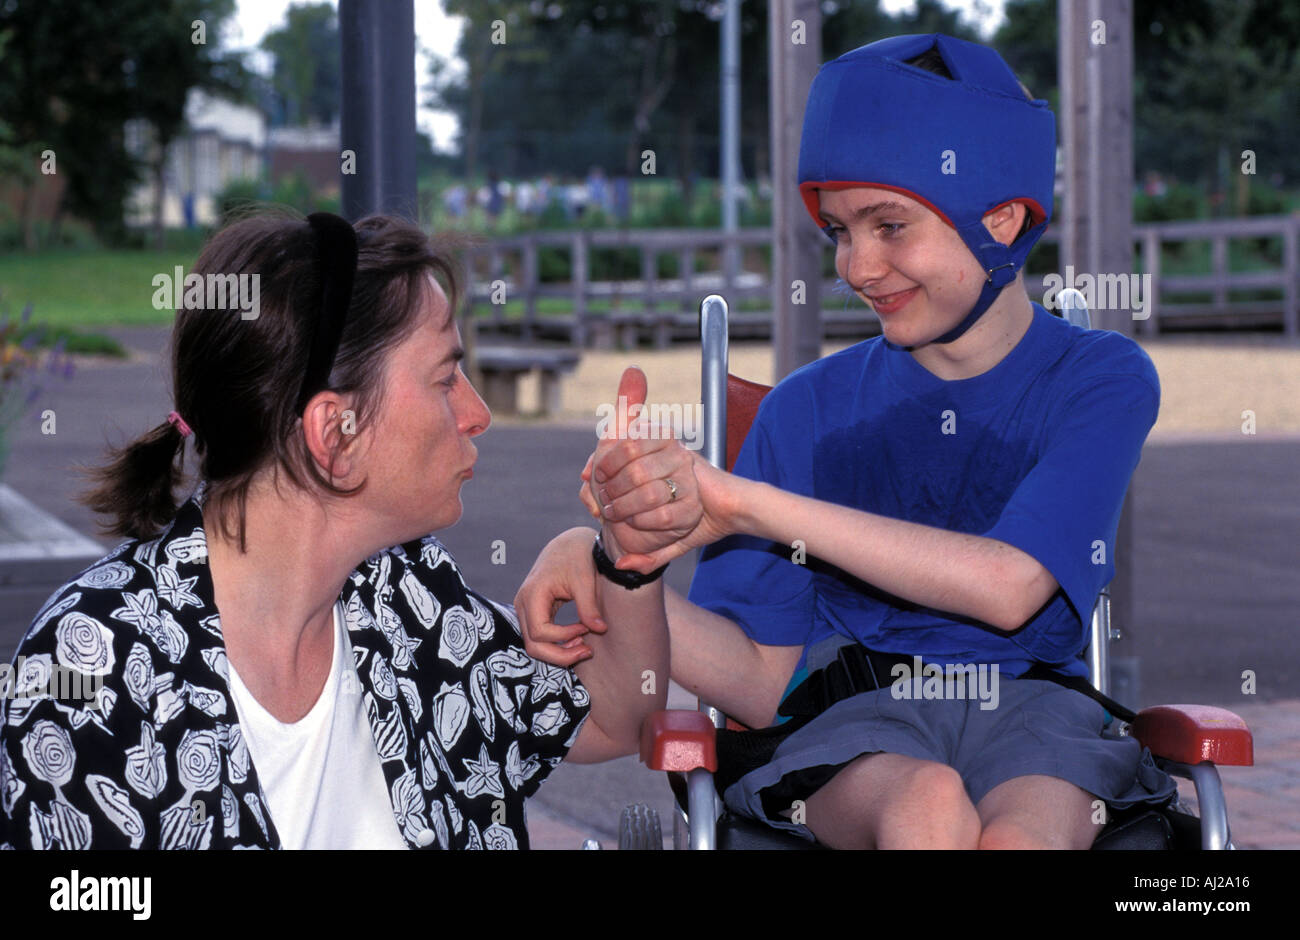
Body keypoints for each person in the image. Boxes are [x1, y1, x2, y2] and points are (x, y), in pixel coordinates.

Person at [519, 33, 1177, 849]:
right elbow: (760, 681)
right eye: (837, 230)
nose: (857, 266)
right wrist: (613, 559)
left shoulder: (1100, 380)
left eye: (889, 225)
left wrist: (749, 505)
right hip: (854, 725)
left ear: (1001, 221)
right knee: (924, 808)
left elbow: (1010, 587)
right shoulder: (806, 412)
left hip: (1039, 719)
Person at [0, 210, 698, 850]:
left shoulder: (403, 591)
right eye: (446, 378)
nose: (478, 413)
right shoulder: (93, 667)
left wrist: (625, 559)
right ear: (336, 433)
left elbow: (613, 717)